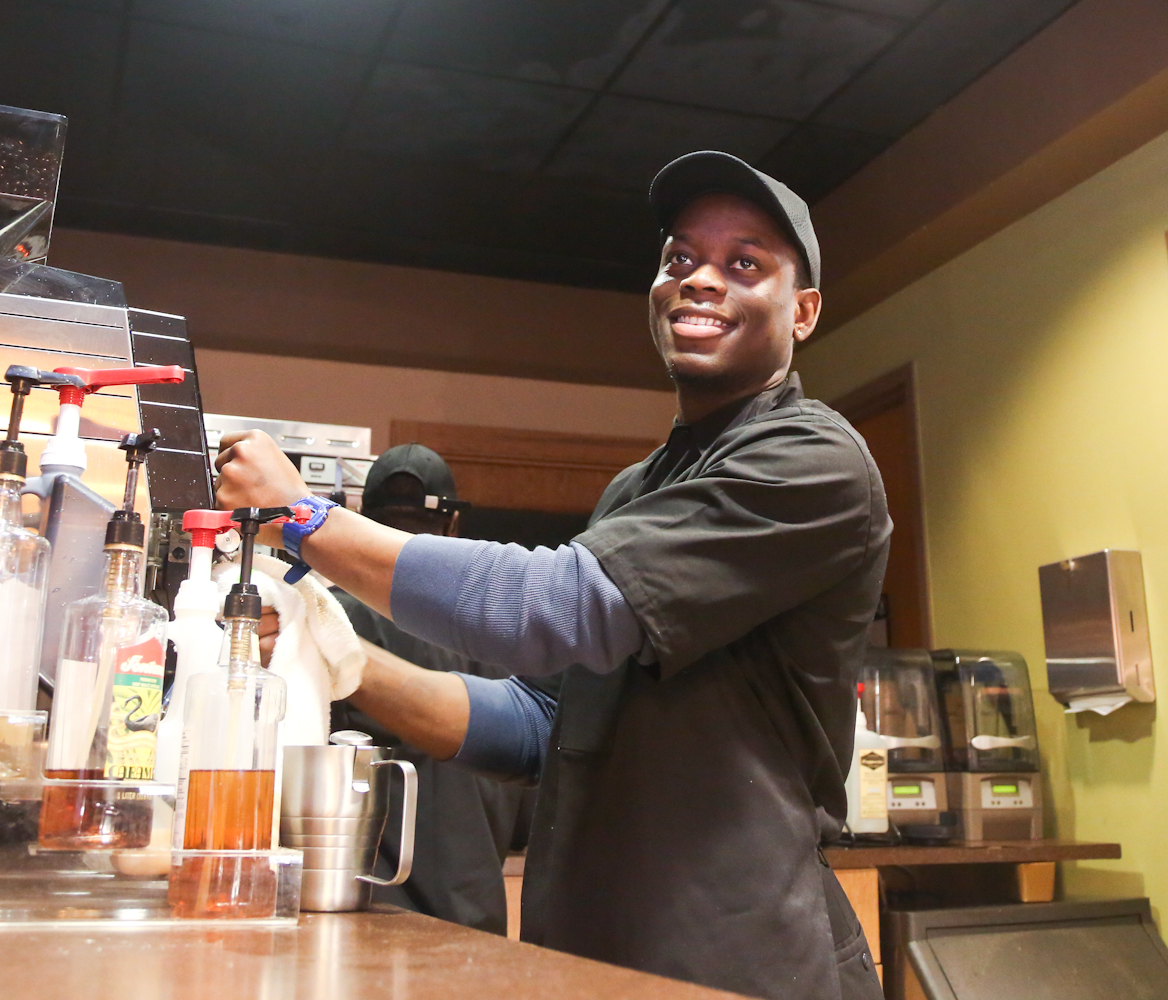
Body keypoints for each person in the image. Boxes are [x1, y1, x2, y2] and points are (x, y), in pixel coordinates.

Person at [215, 151, 890, 1000]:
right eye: (680, 259)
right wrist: (349, 658)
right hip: (591, 954)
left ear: (805, 313)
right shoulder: (637, 490)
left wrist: (307, 520)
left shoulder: (813, 461)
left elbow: (563, 607)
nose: (701, 281)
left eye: (744, 264)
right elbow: (545, 721)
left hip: (737, 958)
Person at [328, 444, 526, 934]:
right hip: (476, 921)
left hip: (369, 918)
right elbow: (528, 812)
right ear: (453, 525)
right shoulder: (508, 630)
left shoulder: (327, 622)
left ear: (360, 520)